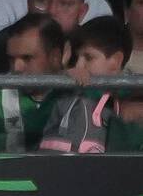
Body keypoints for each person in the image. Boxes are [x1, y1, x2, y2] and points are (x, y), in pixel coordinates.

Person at [0, 12, 64, 151]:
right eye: (11, 59)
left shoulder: (75, 95)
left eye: (27, 58)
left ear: (55, 57)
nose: (16, 67)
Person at [38, 16, 130, 154]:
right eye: (76, 58)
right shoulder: (66, 91)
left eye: (88, 57)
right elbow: (40, 120)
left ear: (115, 61)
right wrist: (62, 82)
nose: (78, 65)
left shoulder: (130, 97)